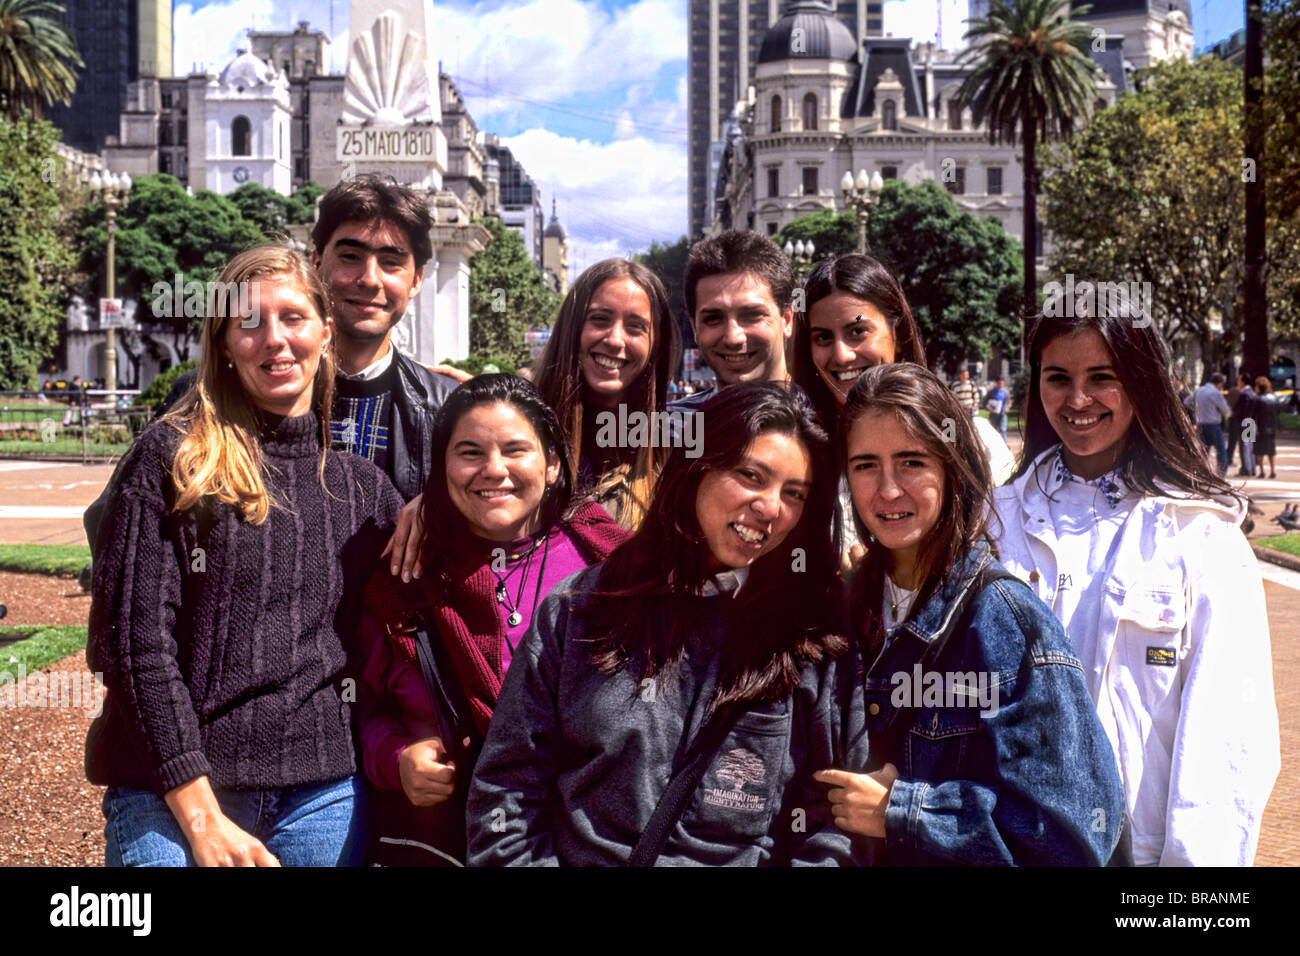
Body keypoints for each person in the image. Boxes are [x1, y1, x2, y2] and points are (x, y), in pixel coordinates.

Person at [86, 245, 404, 866]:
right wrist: (203, 820)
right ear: (225, 343)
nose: (276, 340)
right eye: (250, 322)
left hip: (319, 791)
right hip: (169, 787)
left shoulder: (362, 488)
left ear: (326, 331)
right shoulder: (173, 460)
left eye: (294, 317)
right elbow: (133, 647)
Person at [466, 382, 869, 866]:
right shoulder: (579, 610)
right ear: (697, 467)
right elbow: (506, 792)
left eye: (794, 494)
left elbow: (832, 827)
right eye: (749, 475)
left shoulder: (811, 644)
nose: (769, 507)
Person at [993, 311, 1280, 865]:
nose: (1078, 400)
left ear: (1141, 381)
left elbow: (1227, 736)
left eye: (1102, 377)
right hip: (1010, 840)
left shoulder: (1202, 535)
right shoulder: (994, 521)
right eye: (1058, 378)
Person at [813, 363, 1123, 866]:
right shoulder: (840, 606)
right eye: (866, 465)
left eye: (911, 462)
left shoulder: (1006, 621)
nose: (888, 490)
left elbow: (1074, 833)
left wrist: (906, 811)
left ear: (952, 467)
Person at [84, 174, 468, 553]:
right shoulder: (208, 395)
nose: (369, 279)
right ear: (317, 262)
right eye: (350, 257)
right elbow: (117, 523)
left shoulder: (447, 408)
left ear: (416, 280)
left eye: (391, 263)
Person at [354, 375, 628, 866]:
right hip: (447, 841)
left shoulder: (610, 566)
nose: (494, 470)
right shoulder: (406, 576)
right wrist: (395, 759)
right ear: (440, 468)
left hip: (591, 840)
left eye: (515, 449)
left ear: (552, 466)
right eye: (470, 452)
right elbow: (359, 705)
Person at [533, 259, 682, 529]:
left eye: (636, 327)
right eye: (599, 319)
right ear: (572, 329)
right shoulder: (521, 428)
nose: (615, 340)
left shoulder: (674, 454)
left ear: (655, 346)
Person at [668, 230, 795, 414]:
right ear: (695, 326)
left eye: (752, 315)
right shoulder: (665, 432)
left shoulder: (835, 426)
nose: (733, 338)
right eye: (713, 319)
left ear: (787, 320)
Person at [1185, 372, 1231, 475]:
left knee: (1203, 452)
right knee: (1221, 451)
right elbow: (1226, 411)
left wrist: (1197, 408)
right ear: (1219, 384)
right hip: (1213, 425)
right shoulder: (1216, 393)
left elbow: (1187, 401)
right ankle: (1221, 474)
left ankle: (1201, 473)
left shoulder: (1199, 390)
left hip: (1201, 425)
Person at [1229, 372, 1257, 478]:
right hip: (1251, 422)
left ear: (1243, 382)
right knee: (1250, 447)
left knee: (1244, 447)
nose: (1237, 382)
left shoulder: (1245, 394)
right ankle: (1252, 468)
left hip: (1245, 423)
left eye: (1239, 380)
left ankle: (1246, 469)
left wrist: (1234, 414)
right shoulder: (1251, 392)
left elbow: (1243, 410)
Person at [1253, 376, 1279, 479]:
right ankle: (1273, 471)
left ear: (1259, 387)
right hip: (1272, 428)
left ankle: (1262, 471)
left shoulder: (1257, 399)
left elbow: (1253, 415)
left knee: (1259, 451)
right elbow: (1278, 412)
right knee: (1271, 451)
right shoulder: (1274, 398)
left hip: (1260, 428)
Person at [986, 377, 1009, 441]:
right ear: (996, 383)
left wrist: (1006, 409)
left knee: (1003, 429)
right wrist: (989, 408)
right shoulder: (991, 392)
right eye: (999, 383)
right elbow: (985, 403)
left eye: (1002, 384)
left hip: (1003, 413)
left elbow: (1008, 402)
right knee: (993, 430)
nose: (1000, 385)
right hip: (993, 414)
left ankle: (1004, 444)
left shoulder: (1006, 392)